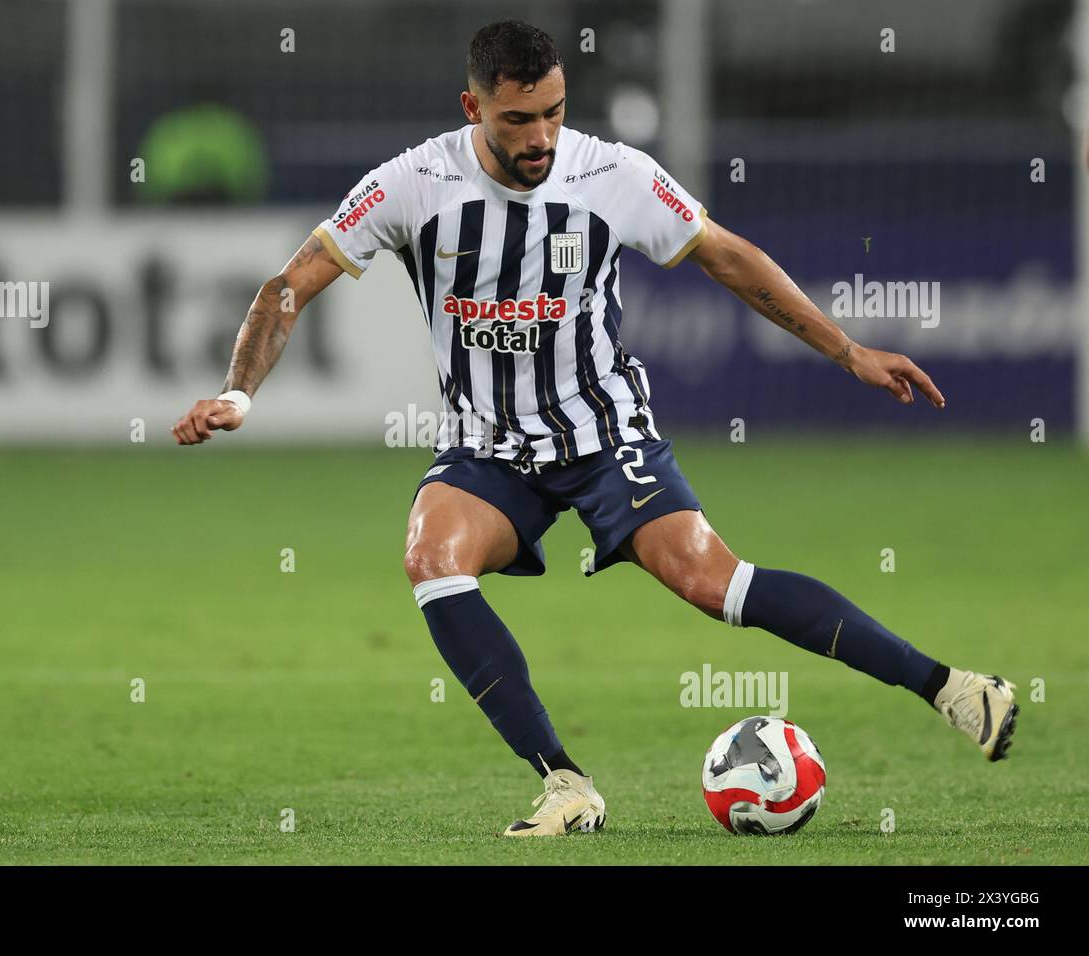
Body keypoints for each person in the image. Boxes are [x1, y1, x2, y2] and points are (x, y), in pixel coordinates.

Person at [172, 20, 1018, 837]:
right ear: (473, 110)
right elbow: (291, 283)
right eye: (518, 120)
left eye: (554, 112)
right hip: (489, 444)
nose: (541, 137)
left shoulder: (612, 176)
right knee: (432, 557)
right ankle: (565, 784)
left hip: (604, 431)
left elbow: (727, 254)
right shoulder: (412, 185)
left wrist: (846, 349)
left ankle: (953, 689)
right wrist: (239, 393)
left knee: (712, 584)